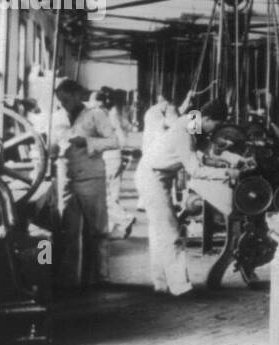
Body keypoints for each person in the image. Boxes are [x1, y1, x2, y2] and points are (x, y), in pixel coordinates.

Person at [134, 98, 233, 296]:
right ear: (207, 118)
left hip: (155, 174)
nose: (214, 130)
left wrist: (220, 160)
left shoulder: (192, 119)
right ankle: (180, 287)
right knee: (170, 233)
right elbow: (194, 169)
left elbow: (197, 152)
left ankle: (161, 283)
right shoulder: (184, 131)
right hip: (152, 177)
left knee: (159, 232)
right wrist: (228, 173)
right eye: (216, 125)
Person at [53, 79, 119, 289]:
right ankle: (69, 279)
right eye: (59, 100)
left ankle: (101, 278)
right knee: (69, 232)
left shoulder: (95, 114)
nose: (63, 104)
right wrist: (51, 151)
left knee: (97, 231)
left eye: (65, 99)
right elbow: (51, 144)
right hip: (67, 179)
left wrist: (88, 142)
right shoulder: (56, 117)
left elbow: (114, 141)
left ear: (77, 96)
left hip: (92, 178)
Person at [98, 88, 135, 239]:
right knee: (112, 193)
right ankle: (113, 225)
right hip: (115, 155)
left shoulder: (109, 115)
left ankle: (124, 219)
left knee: (103, 195)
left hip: (109, 157)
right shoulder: (116, 112)